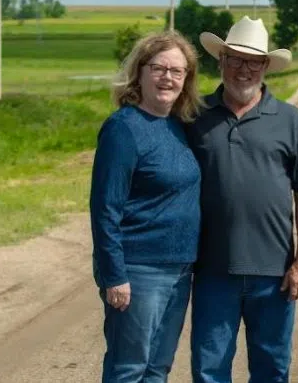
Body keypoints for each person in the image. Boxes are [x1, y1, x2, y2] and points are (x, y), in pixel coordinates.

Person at [186, 16, 298, 383]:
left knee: (271, 371)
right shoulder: (194, 116)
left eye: (253, 62)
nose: (243, 69)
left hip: (274, 273)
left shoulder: (291, 121)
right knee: (209, 370)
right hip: (212, 269)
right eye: (235, 59)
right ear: (221, 61)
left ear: (266, 66)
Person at [89, 30, 204, 383]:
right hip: (139, 271)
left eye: (177, 71)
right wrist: (115, 275)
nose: (167, 77)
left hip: (180, 269)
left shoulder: (178, 126)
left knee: (157, 368)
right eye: (159, 68)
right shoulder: (123, 128)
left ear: (186, 80)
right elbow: (105, 209)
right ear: (139, 71)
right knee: (129, 368)